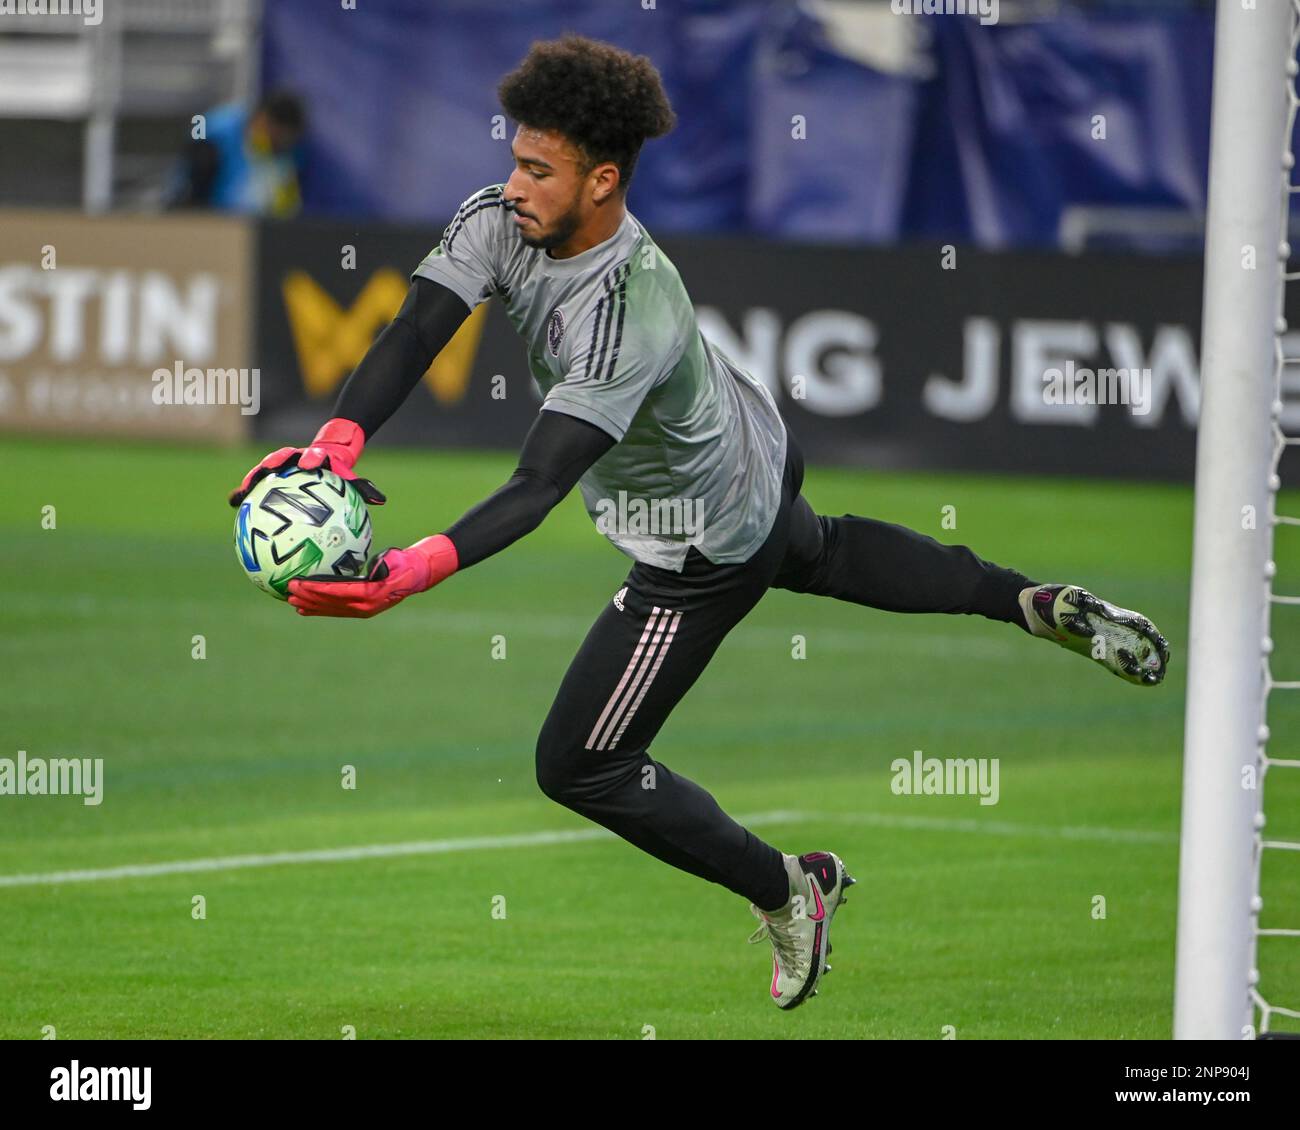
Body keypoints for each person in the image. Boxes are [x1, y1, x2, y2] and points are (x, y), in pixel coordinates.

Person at [228, 36, 1169, 1011]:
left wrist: (406, 572)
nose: (513, 183)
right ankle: (1025, 600)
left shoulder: (625, 312)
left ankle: (790, 887)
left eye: (537, 169)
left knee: (581, 761)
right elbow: (417, 326)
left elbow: (537, 484)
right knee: (821, 547)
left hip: (698, 537)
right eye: (514, 158)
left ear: (601, 182)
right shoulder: (499, 218)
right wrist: (336, 442)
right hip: (753, 441)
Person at [168, 89, 306, 216]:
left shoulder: (288, 153)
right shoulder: (216, 127)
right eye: (278, 134)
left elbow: (286, 203)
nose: (281, 142)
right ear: (264, 120)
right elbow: (191, 167)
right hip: (209, 213)